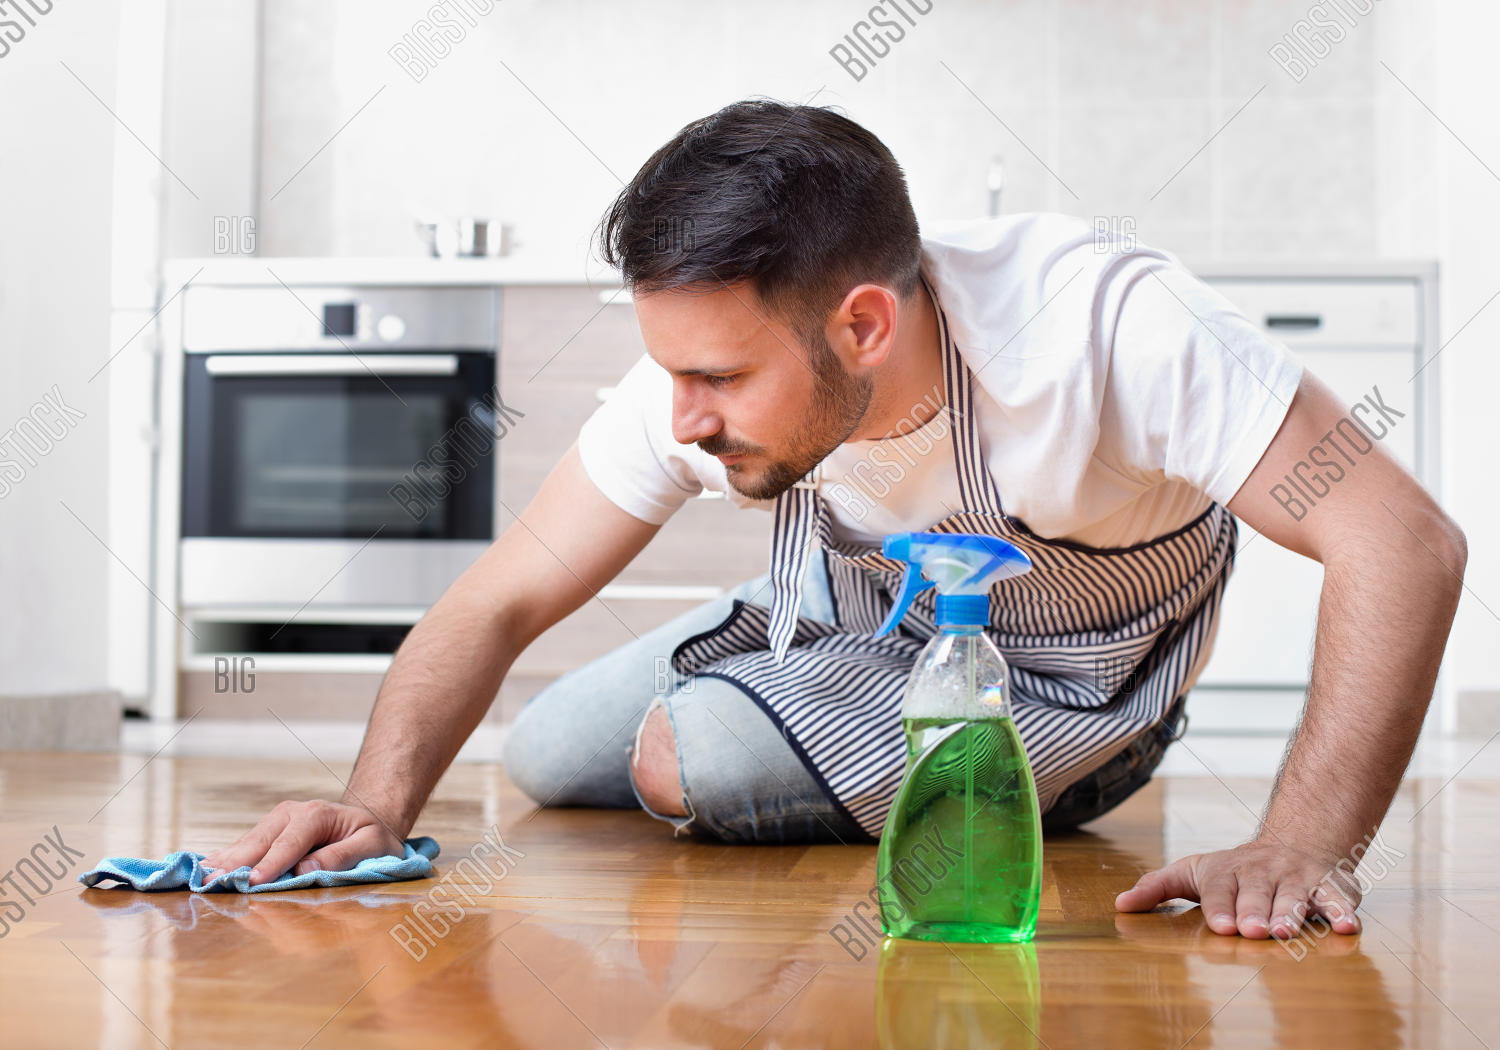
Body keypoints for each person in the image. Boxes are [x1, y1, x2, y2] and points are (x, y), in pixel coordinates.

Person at [204, 100, 1464, 941]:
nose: (682, 417)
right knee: (543, 750)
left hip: (1072, 685)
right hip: (853, 624)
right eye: (673, 373)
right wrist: (374, 807)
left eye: (719, 380)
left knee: (675, 757)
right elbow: (501, 599)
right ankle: (768, 674)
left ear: (865, 323)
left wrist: (1305, 840)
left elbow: (1404, 543)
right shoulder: (703, 377)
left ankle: (872, 743)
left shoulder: (1106, 329)